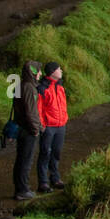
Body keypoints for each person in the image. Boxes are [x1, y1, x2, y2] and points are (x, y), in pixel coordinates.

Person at [12, 60, 43, 201]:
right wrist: (36, 129)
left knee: (21, 159)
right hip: (28, 129)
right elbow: (31, 112)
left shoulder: (20, 85)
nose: (40, 74)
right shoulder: (29, 88)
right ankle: (23, 190)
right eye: (38, 71)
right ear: (33, 72)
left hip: (21, 127)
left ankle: (20, 187)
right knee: (26, 160)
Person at [36, 62, 68, 192]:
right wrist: (42, 125)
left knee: (56, 152)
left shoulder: (60, 87)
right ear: (52, 71)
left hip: (61, 125)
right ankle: (43, 182)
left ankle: (55, 178)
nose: (61, 71)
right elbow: (39, 109)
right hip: (48, 126)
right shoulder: (43, 88)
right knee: (45, 153)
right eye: (58, 69)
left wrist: (65, 119)